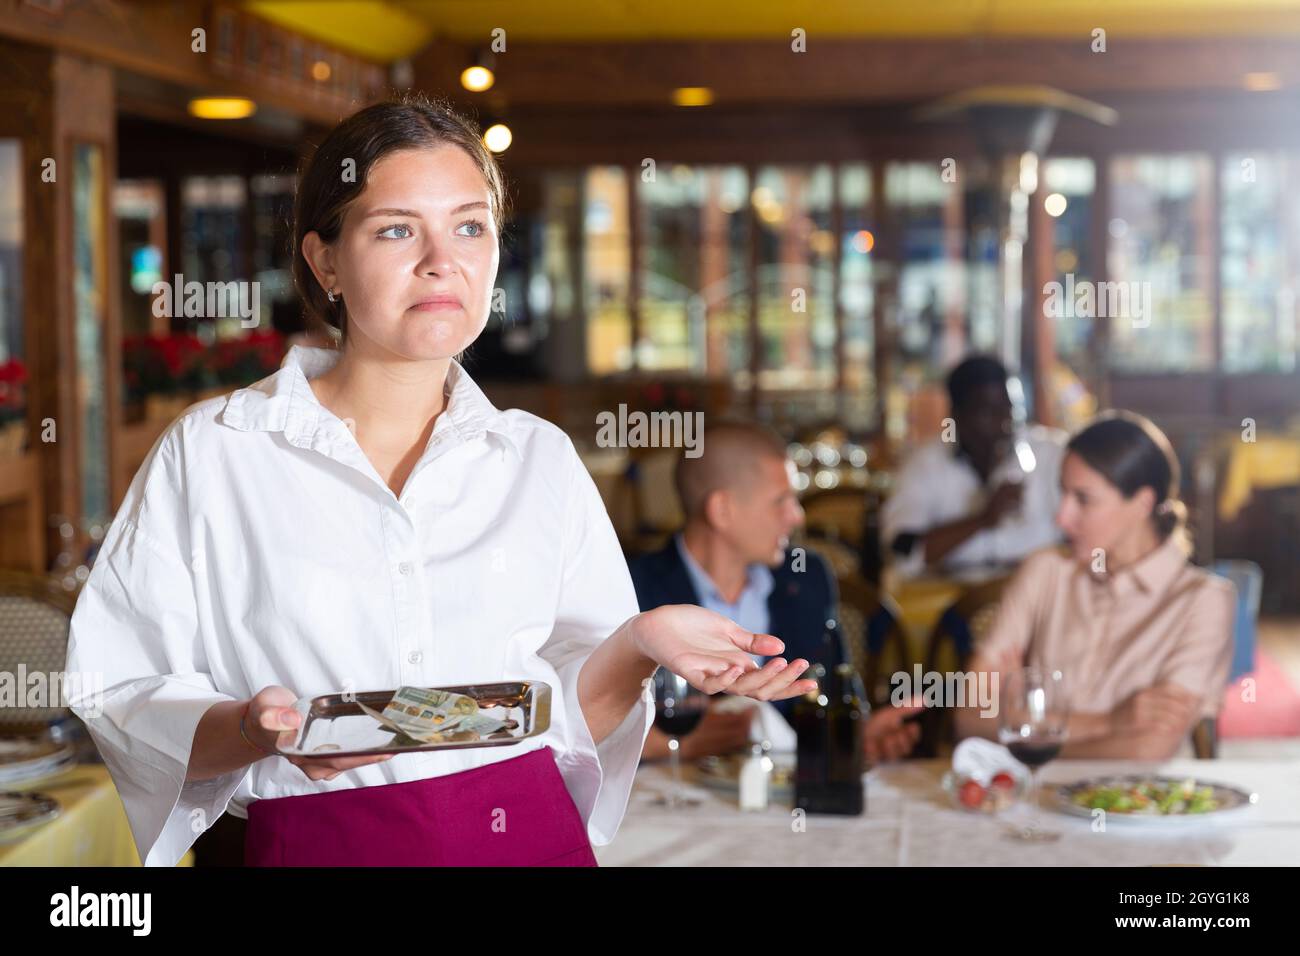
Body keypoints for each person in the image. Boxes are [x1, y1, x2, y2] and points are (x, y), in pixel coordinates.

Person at [62, 95, 817, 868]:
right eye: (396, 229)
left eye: (469, 227)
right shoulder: (215, 452)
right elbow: (124, 693)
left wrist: (641, 642)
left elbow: (560, 726)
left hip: (528, 840)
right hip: (323, 849)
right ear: (325, 261)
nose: (441, 261)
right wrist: (252, 731)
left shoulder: (537, 459)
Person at [628, 421, 921, 765]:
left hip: (789, 807)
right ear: (723, 510)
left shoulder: (807, 579)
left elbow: (835, 700)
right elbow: (590, 727)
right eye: (781, 501)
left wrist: (857, 736)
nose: (797, 516)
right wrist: (674, 744)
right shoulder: (632, 587)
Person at [955, 411, 1235, 759]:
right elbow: (968, 717)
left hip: (1136, 808)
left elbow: (1145, 754)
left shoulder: (1204, 601)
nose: (1062, 517)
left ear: (1142, 504)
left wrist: (1024, 727)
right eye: (1063, 494)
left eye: (1083, 499)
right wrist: (1112, 722)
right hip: (1033, 804)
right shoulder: (1046, 571)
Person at [881, 355, 1066, 579]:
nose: (1002, 422)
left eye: (1008, 409)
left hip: (1036, 593)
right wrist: (983, 520)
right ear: (957, 415)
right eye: (987, 412)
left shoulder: (1050, 455)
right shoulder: (925, 463)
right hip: (951, 602)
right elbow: (903, 552)